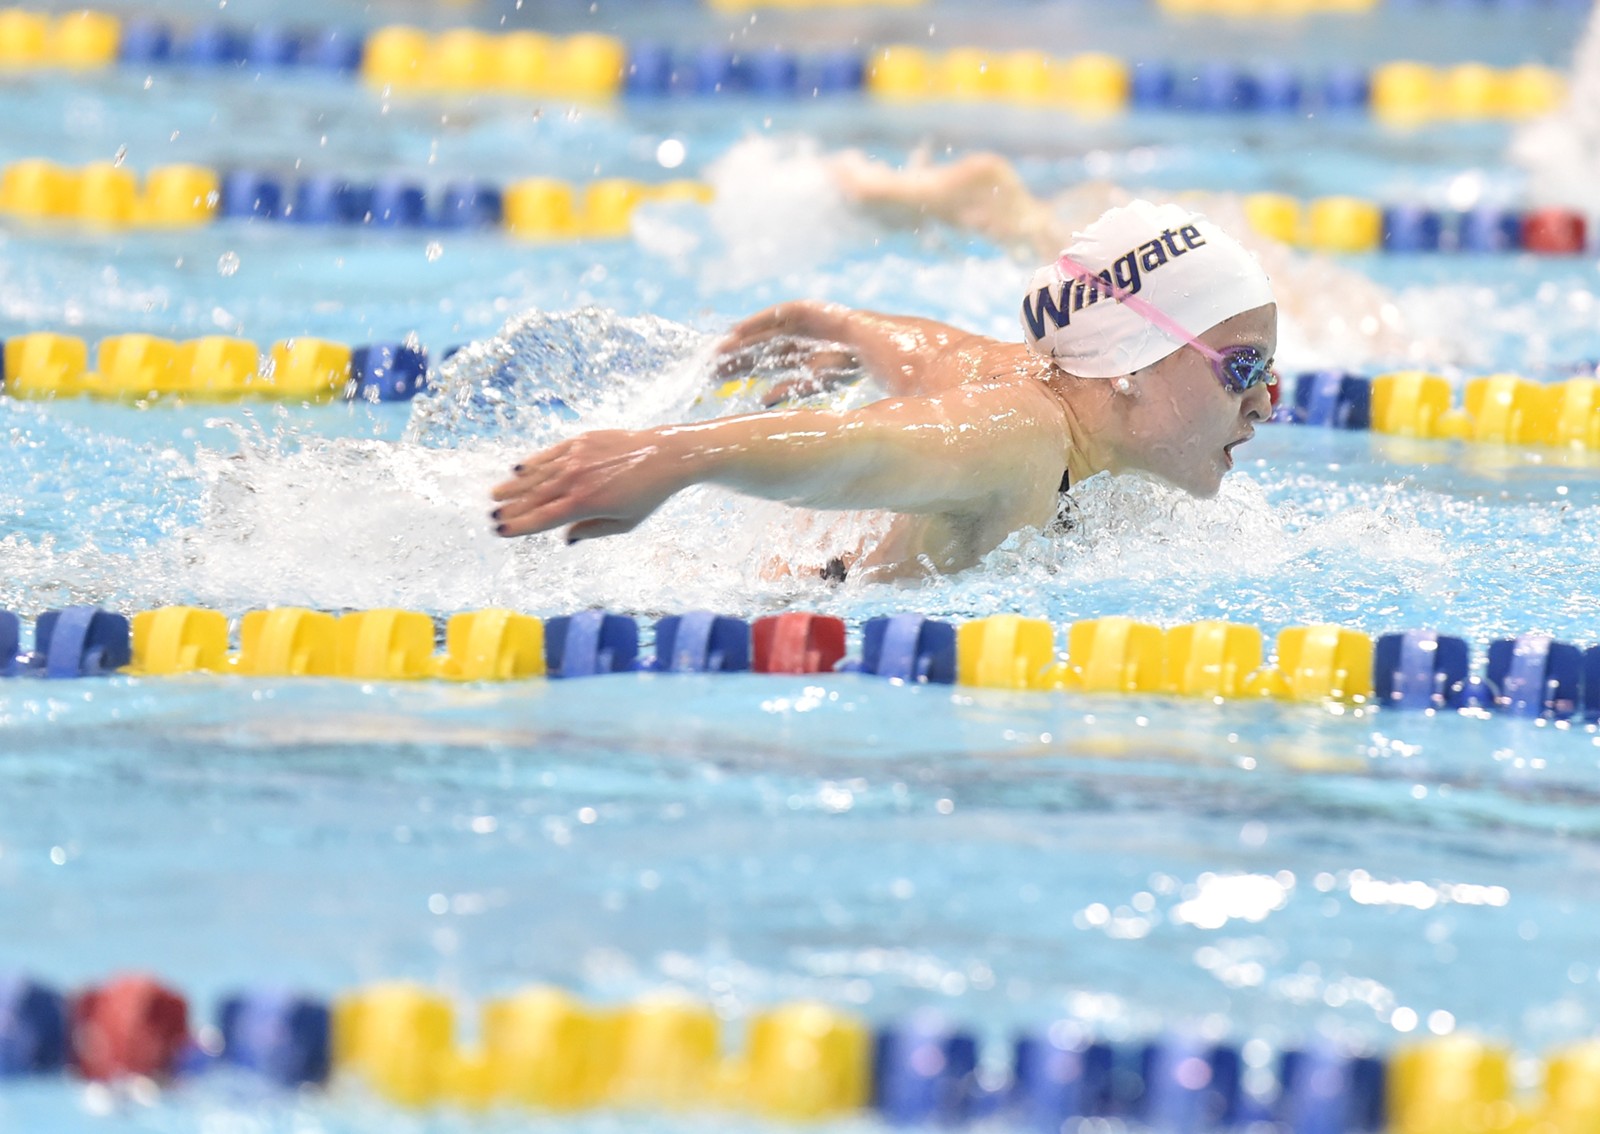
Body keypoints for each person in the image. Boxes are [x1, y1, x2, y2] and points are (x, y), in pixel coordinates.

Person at [490, 199, 1277, 581]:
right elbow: (853, 452)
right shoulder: (1021, 439)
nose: (1266, 402)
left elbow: (936, 351)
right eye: (1242, 367)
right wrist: (669, 460)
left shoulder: (1043, 385)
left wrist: (834, 326)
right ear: (1131, 362)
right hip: (760, 607)